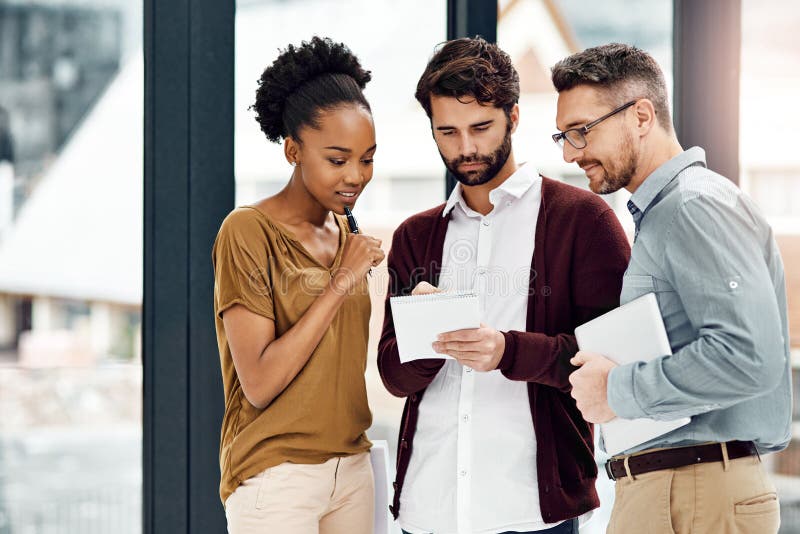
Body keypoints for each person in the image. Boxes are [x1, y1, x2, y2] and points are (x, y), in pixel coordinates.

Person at [377, 37, 630, 534]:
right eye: (446, 131)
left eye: (481, 127)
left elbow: (614, 363)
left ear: (514, 118)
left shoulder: (583, 220)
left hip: (534, 514)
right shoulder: (415, 236)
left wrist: (505, 352)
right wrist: (431, 339)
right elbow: (392, 374)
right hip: (429, 511)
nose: (465, 148)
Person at [553, 43, 791, 534]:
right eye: (563, 135)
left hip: (692, 495)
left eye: (581, 131)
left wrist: (616, 390)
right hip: (681, 492)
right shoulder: (664, 215)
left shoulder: (693, 207)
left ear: (641, 115)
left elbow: (748, 356)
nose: (570, 153)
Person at [212, 36, 384, 534]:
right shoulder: (246, 231)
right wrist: (342, 281)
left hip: (352, 468)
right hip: (276, 477)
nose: (356, 176)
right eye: (337, 159)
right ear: (293, 150)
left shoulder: (345, 231)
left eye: (367, 158)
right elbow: (260, 384)